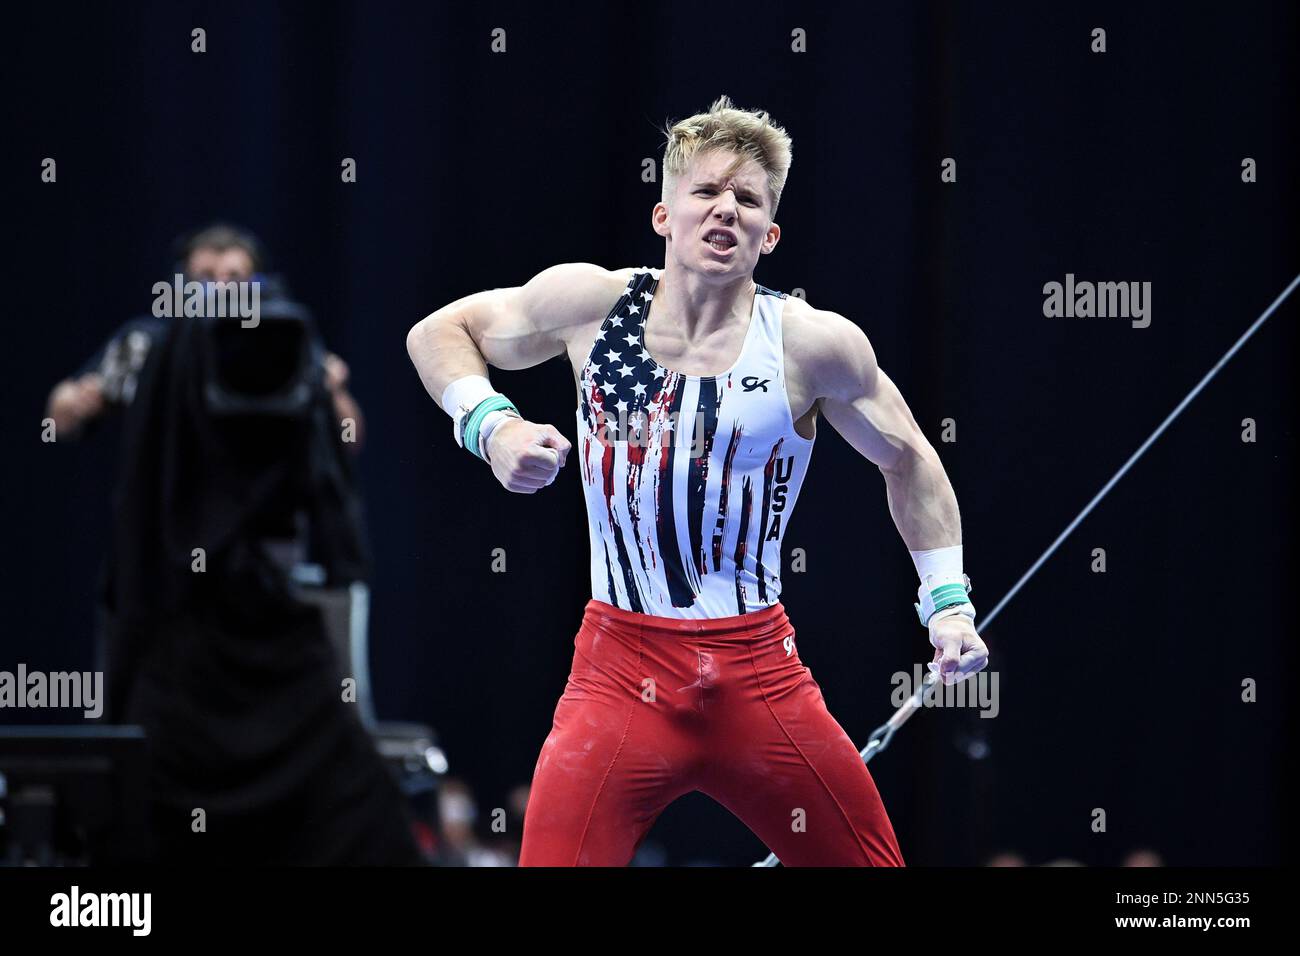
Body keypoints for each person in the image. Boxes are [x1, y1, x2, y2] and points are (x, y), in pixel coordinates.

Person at [406, 95, 989, 866]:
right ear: (664, 216)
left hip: (759, 676)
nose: (726, 210)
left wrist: (947, 606)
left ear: (769, 234)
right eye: (707, 191)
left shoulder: (812, 345)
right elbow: (438, 332)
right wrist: (492, 425)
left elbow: (910, 459)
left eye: (748, 199)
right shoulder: (591, 307)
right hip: (618, 671)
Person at [44, 223, 363, 448]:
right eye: (207, 277)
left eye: (235, 277)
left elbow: (350, 438)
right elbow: (60, 422)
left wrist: (336, 393)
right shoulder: (148, 344)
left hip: (269, 513)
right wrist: (73, 400)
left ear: (258, 285)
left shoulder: (284, 343)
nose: (222, 288)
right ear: (182, 283)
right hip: (173, 514)